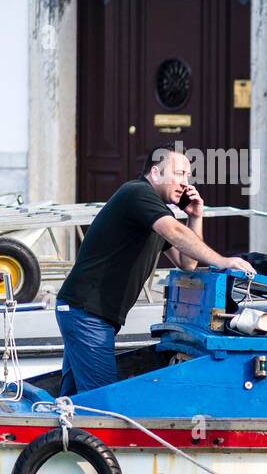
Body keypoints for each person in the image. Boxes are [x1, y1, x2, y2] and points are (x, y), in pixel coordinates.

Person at [55, 144, 255, 396]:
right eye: (179, 173)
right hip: (87, 314)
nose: (186, 182)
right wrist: (222, 261)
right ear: (156, 173)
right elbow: (173, 231)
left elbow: (187, 263)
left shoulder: (154, 212)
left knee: (71, 401)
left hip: (87, 313)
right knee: (101, 402)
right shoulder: (137, 193)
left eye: (188, 176)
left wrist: (195, 216)